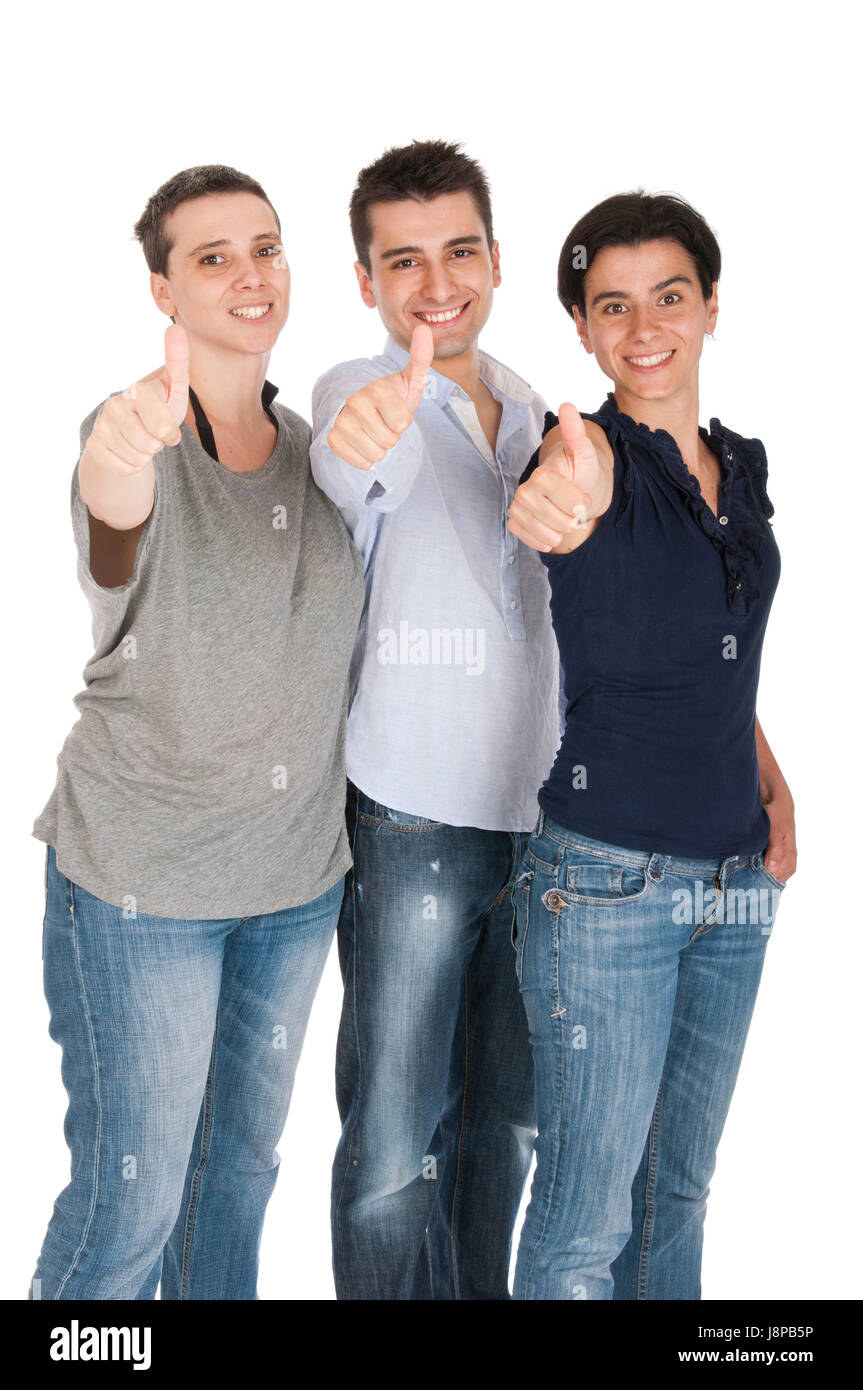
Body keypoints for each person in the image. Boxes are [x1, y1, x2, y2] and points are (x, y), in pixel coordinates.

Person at [29, 165, 364, 1300]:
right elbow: (112, 520)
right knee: (131, 1199)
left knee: (234, 1180)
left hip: (291, 887)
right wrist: (116, 457)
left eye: (263, 247)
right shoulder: (135, 433)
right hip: (145, 889)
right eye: (210, 257)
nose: (247, 273)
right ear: (162, 293)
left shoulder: (318, 454)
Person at [506, 191, 796, 1301]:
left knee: (674, 1190)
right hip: (605, 882)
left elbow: (711, 655)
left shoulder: (738, 472)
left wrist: (773, 784)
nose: (642, 327)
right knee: (584, 1215)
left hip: (733, 880)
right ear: (581, 327)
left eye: (667, 296)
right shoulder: (585, 458)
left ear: (709, 306)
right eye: (610, 304)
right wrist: (552, 500)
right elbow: (552, 507)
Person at [310, 140, 560, 1299]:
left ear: (496, 260)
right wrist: (367, 433)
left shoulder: (538, 412)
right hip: (412, 818)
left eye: (458, 250)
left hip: (541, 822)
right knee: (391, 1145)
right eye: (400, 261)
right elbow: (352, 459)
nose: (434, 283)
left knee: (500, 1130)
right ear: (365, 281)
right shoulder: (357, 398)